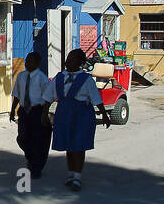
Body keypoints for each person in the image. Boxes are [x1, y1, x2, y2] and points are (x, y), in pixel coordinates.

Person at [49, 48, 104, 192]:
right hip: (63, 112)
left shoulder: (86, 79)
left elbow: (96, 99)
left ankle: (77, 177)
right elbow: (48, 96)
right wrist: (44, 113)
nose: (68, 61)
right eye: (67, 58)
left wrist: (104, 115)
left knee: (78, 145)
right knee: (68, 144)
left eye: (72, 59)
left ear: (80, 62)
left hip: (81, 114)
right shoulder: (60, 77)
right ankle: (70, 174)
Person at [10, 51, 53, 179]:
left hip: (37, 110)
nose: (27, 63)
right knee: (22, 138)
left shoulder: (42, 78)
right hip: (24, 110)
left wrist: (44, 114)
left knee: (38, 140)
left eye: (31, 61)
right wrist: (13, 110)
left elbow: (47, 98)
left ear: (37, 63)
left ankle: (36, 167)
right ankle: (31, 158)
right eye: (26, 61)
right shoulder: (21, 76)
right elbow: (17, 94)